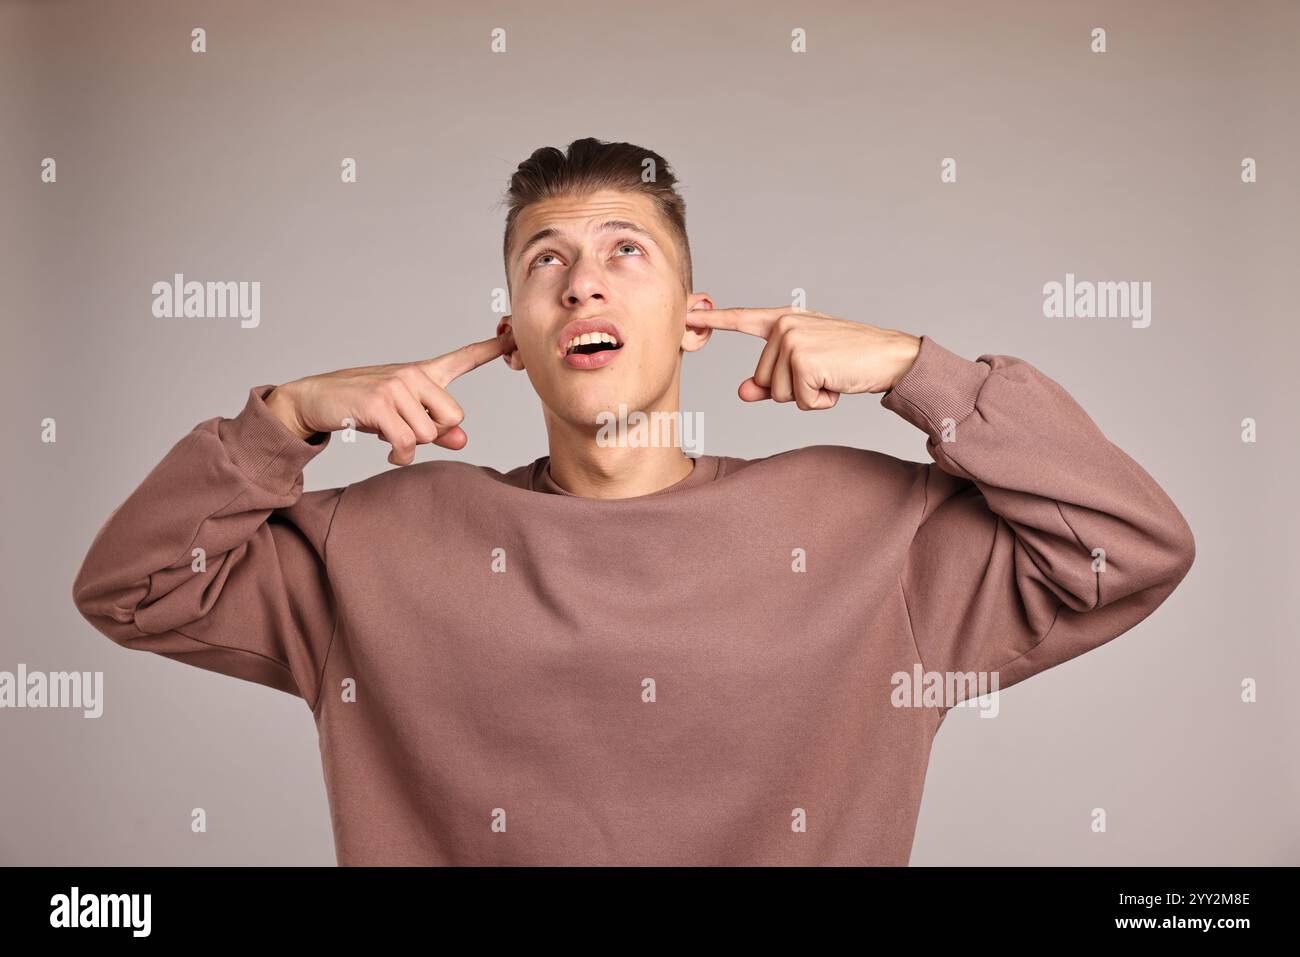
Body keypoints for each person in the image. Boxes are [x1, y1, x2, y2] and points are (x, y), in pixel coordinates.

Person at [72, 137, 1195, 865]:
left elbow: (1125, 548)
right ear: (514, 339)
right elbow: (134, 589)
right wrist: (287, 420)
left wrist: (920, 369)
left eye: (625, 251)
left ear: (692, 320)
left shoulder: (869, 533)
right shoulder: (374, 543)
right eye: (544, 261)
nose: (583, 279)